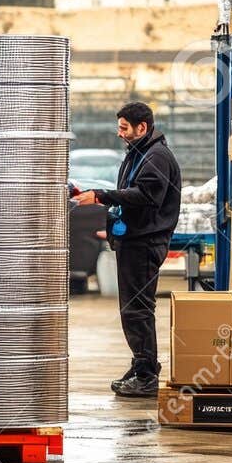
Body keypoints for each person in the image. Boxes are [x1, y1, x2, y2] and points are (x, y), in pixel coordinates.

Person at [74, 101, 181, 397]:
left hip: (145, 244)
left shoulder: (156, 157)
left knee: (138, 310)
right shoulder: (139, 153)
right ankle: (141, 364)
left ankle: (146, 375)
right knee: (132, 309)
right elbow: (130, 200)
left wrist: (101, 196)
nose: (119, 133)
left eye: (124, 128)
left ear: (141, 127)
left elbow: (145, 196)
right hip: (134, 240)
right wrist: (111, 224)